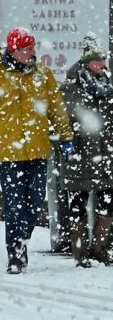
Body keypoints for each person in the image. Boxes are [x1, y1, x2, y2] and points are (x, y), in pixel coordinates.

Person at [0, 27, 74, 274]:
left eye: (33, 47)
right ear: (13, 51)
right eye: (26, 49)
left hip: (37, 150)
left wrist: (65, 137)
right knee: (14, 205)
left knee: (35, 204)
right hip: (7, 153)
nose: (32, 52)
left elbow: (56, 108)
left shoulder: (43, 75)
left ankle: (21, 239)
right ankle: (15, 255)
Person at [60, 33, 113, 268]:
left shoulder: (109, 85)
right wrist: (67, 143)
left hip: (106, 154)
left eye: (103, 59)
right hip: (79, 155)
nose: (102, 64)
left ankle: (100, 248)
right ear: (86, 62)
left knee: (107, 203)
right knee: (77, 204)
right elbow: (62, 120)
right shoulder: (71, 87)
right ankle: (80, 251)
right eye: (97, 60)